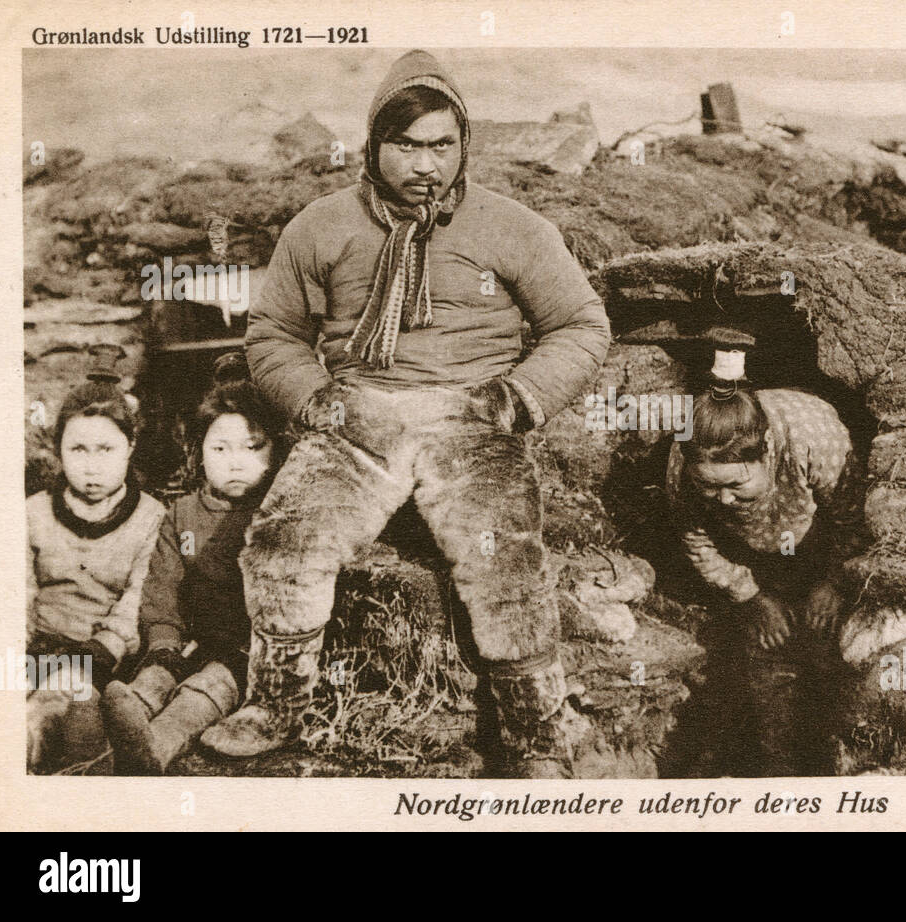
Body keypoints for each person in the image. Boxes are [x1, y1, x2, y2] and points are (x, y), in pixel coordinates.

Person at [200, 50, 610, 778]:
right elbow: (272, 333)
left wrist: (516, 398)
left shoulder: (513, 227)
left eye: (442, 145)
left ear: (464, 146)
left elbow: (581, 324)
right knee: (285, 540)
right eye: (407, 145)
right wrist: (312, 399)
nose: (426, 164)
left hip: (472, 418)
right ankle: (277, 703)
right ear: (374, 146)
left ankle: (536, 731)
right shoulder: (320, 227)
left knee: (503, 562)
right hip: (358, 417)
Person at [664, 336, 906, 775]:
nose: (722, 499)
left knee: (833, 651)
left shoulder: (812, 437)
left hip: (822, 535)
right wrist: (751, 599)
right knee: (767, 661)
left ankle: (833, 758)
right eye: (710, 487)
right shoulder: (683, 467)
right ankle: (779, 766)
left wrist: (835, 582)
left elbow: (855, 516)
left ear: (766, 453)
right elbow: (697, 541)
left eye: (736, 486)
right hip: (752, 556)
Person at [101, 353, 286, 774]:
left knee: (205, 691)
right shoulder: (182, 513)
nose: (235, 461)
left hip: (246, 653)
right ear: (199, 452)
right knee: (157, 676)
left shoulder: (277, 513)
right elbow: (162, 587)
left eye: (252, 447)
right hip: (190, 642)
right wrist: (163, 644)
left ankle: (158, 745)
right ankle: (133, 706)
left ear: (274, 452)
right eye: (219, 447)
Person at [26, 359, 165, 772]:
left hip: (105, 656)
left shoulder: (151, 517)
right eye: (78, 449)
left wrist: (100, 653)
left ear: (130, 448)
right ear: (59, 452)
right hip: (38, 647)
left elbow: (137, 598)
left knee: (72, 711)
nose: (91, 465)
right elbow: (16, 592)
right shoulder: (33, 512)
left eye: (106, 449)